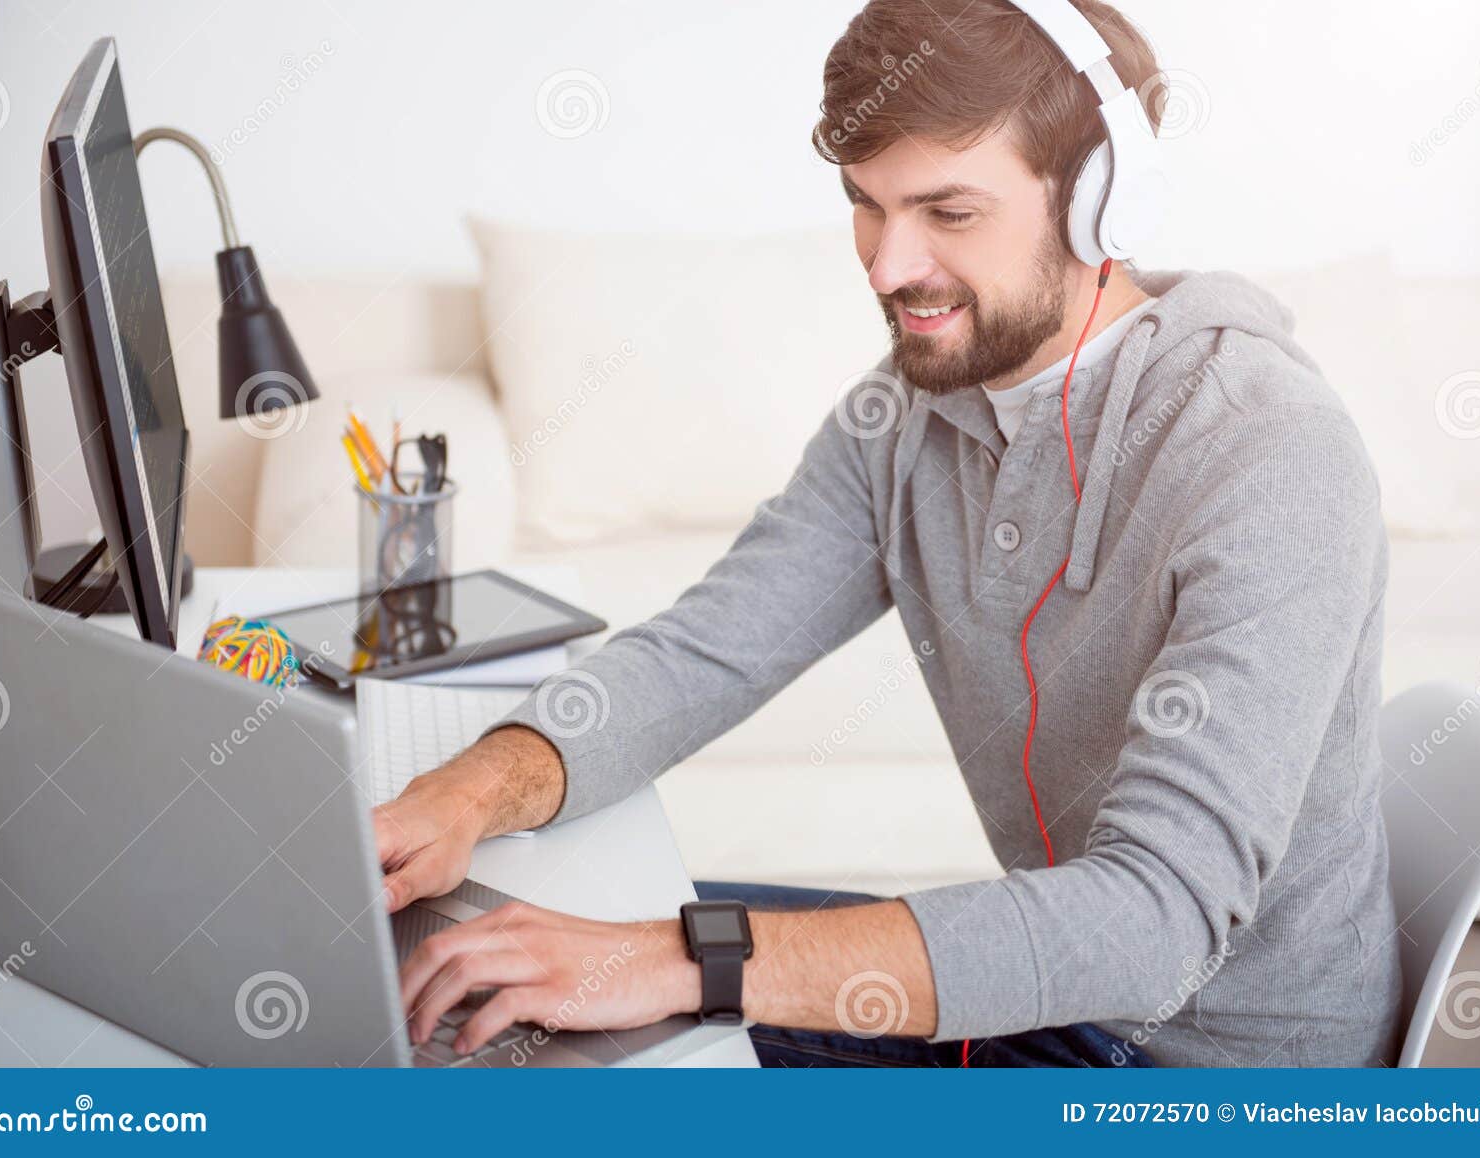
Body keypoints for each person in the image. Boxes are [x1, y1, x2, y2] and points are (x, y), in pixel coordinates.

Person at [375, 0, 1401, 1067]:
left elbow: (1150, 923)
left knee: (565, 1027)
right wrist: (470, 792)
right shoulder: (911, 412)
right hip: (1042, 1000)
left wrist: (680, 960)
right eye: (866, 205)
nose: (884, 266)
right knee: (493, 973)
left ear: (1104, 201)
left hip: (1211, 1081)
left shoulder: (1268, 451)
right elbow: (710, 650)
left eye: (947, 214)